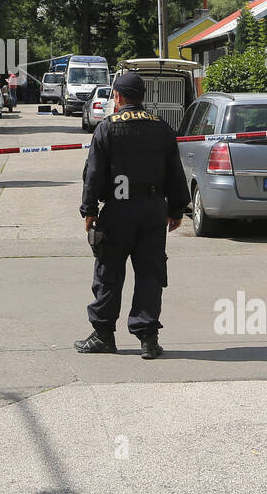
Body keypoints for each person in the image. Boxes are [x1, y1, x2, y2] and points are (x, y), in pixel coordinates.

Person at [76, 70, 190, 359]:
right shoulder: (162, 127)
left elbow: (94, 173)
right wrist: (177, 209)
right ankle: (148, 339)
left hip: (118, 210)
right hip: (153, 212)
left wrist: (89, 211)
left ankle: (103, 335)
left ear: (118, 96)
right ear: (142, 97)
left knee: (108, 273)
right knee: (150, 273)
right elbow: (175, 172)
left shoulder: (107, 127)